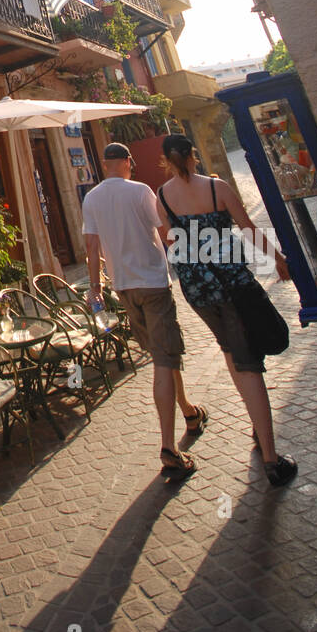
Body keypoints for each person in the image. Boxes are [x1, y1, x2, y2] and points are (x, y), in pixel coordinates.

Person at [156, 133, 297, 489]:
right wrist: (278, 260)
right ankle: (271, 458)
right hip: (233, 286)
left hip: (199, 293)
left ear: (166, 161)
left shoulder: (162, 196)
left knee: (233, 352)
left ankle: (257, 425)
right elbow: (249, 230)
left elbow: (175, 243)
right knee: (249, 365)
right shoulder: (218, 189)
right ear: (192, 155)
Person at [83, 142, 205, 481]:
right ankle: (168, 447)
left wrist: (96, 287)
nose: (133, 166)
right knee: (164, 360)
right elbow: (165, 232)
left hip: (124, 288)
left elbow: (91, 248)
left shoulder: (92, 198)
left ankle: (189, 412)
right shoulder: (140, 192)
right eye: (131, 162)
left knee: (161, 356)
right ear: (124, 162)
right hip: (152, 282)